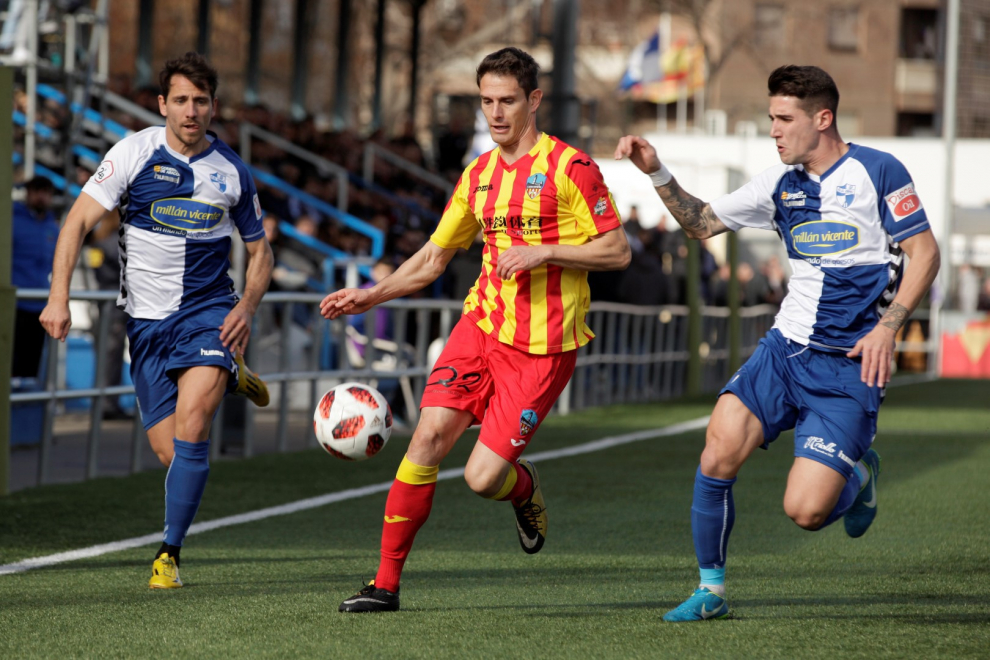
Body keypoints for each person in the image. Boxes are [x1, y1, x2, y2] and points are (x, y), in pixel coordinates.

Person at [615, 64, 940, 621]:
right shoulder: (778, 183)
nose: (774, 130)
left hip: (848, 367)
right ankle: (711, 591)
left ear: (823, 118)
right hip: (784, 352)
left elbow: (926, 253)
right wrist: (657, 171)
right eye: (772, 118)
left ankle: (860, 474)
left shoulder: (879, 170)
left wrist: (889, 327)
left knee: (805, 512)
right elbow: (701, 222)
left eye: (784, 119)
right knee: (718, 449)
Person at [322, 46, 631, 613]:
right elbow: (433, 258)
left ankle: (523, 486)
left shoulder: (572, 168)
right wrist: (371, 294)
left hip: (541, 349)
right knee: (426, 439)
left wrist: (545, 252)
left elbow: (617, 251)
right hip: (480, 327)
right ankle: (385, 586)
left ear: (534, 100)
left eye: (507, 101)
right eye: (486, 101)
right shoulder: (479, 175)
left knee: (482, 478)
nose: (495, 113)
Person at [39, 52, 274, 589]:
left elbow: (261, 251)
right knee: (171, 453)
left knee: (193, 430)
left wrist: (245, 308)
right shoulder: (133, 153)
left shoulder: (232, 171)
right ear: (163, 104)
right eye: (182, 100)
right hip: (145, 325)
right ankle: (233, 377)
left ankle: (169, 554)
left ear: (214, 106)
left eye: (201, 101)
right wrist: (59, 297)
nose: (192, 111)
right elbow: (76, 223)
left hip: (208, 314)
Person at [11, 175, 58, 378]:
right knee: (10, 363)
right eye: (37, 191)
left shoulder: (52, 226)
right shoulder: (12, 221)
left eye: (46, 192)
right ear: (28, 193)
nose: (41, 197)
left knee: (31, 366)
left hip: (40, 305)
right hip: (14, 303)